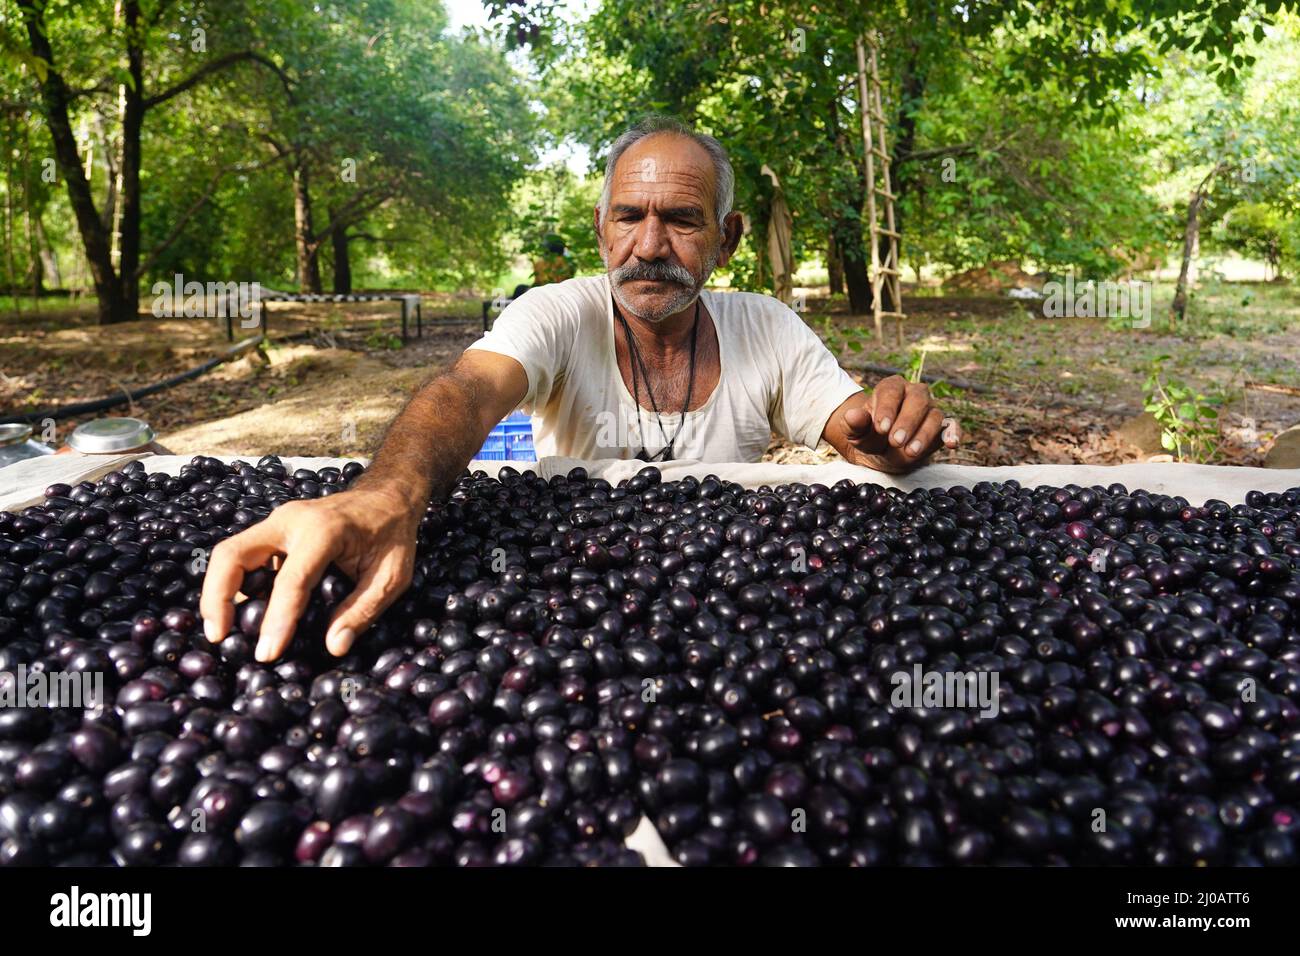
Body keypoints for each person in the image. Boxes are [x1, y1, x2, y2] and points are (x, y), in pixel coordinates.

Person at [200, 116, 962, 663]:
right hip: (573, 597)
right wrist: (388, 495)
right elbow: (466, 390)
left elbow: (848, 420)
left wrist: (886, 432)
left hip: (725, 609)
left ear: (726, 239)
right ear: (601, 229)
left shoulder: (767, 327)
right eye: (628, 217)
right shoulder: (560, 313)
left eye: (683, 221)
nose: (649, 247)